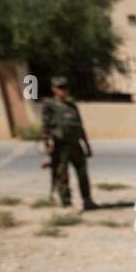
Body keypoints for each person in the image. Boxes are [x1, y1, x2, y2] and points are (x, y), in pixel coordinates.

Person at [40, 77, 97, 210]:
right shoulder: (49, 106)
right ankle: (66, 203)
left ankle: (87, 200)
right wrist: (47, 144)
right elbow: (45, 127)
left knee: (83, 173)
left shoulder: (72, 107)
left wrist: (87, 145)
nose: (63, 91)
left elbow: (80, 127)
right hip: (60, 146)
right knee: (62, 175)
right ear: (54, 89)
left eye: (65, 88)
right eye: (60, 88)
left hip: (75, 145)